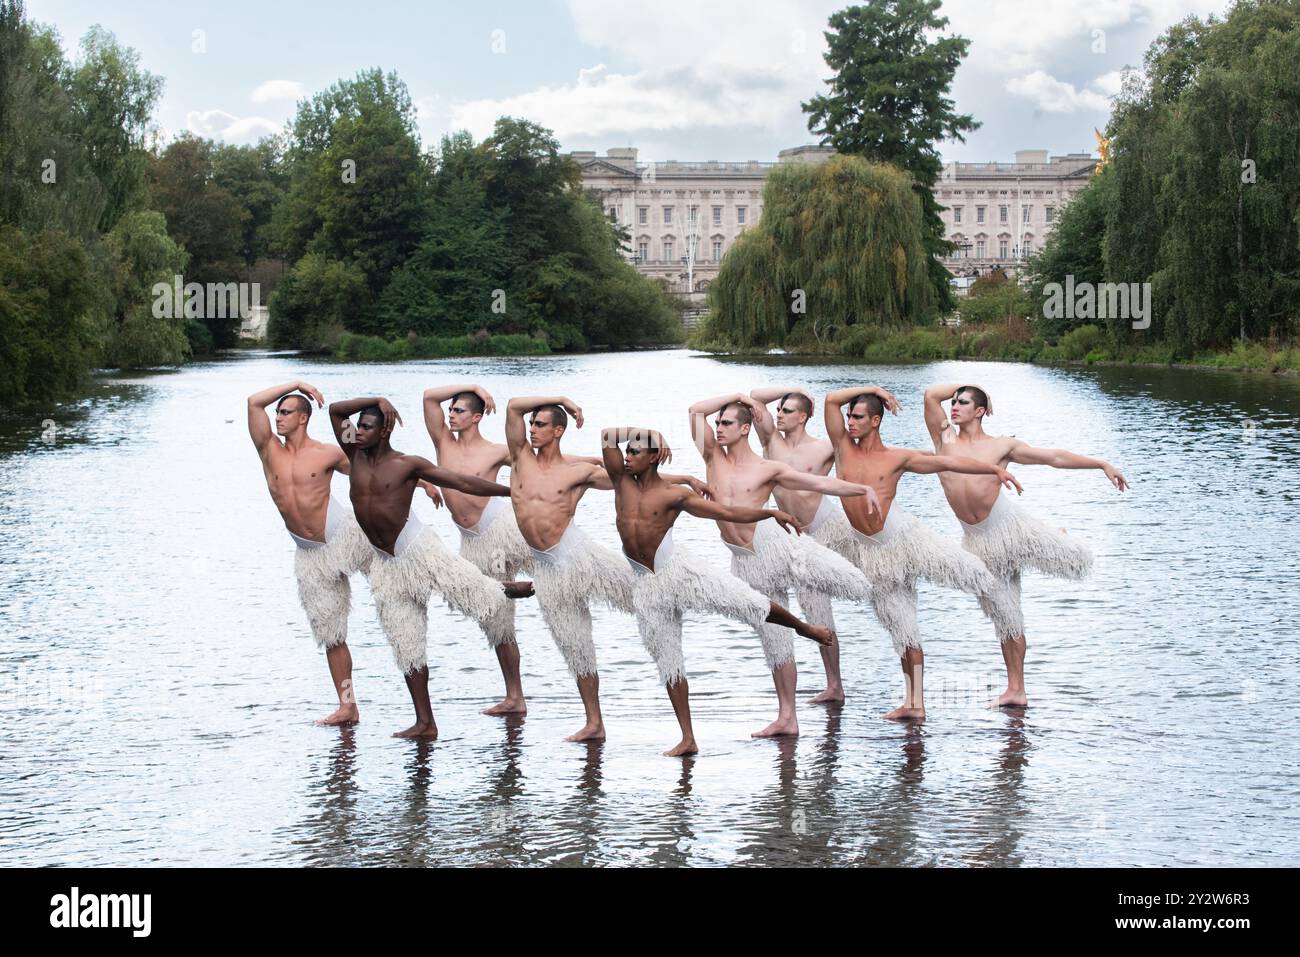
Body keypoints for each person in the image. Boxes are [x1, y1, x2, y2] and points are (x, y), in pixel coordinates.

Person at [602, 425, 835, 756]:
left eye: (635, 452)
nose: (627, 457)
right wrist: (649, 432)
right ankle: (688, 739)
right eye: (627, 452)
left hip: (679, 571)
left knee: (746, 601)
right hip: (646, 584)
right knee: (668, 663)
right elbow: (607, 435)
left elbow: (726, 512)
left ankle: (804, 627)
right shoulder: (620, 482)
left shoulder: (674, 496)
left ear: (653, 458)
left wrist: (767, 512)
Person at [329, 396, 533, 739]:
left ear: (384, 431)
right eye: (358, 426)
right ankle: (425, 723)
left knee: (471, 594)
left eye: (367, 427)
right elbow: (335, 410)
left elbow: (461, 482)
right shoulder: (355, 455)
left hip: (417, 548)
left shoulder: (407, 464)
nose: (358, 431)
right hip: (387, 565)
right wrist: (377, 400)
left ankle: (499, 587)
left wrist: (508, 491)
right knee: (407, 647)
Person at [922, 382, 1129, 707]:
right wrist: (971, 386)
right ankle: (1015, 689)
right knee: (1006, 617)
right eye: (955, 402)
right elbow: (931, 395)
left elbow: (1054, 458)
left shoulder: (1002, 446)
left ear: (979, 411)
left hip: (1011, 528)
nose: (954, 406)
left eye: (962, 402)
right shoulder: (944, 440)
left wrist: (1100, 463)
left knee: (1078, 560)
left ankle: (1060, 537)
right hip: (978, 542)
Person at [824, 386, 1023, 720]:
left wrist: (993, 470)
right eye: (849, 416)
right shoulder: (843, 448)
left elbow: (945, 461)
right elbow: (831, 400)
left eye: (858, 417)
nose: (850, 422)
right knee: (903, 632)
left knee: (974, 574)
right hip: (875, 555)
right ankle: (914, 703)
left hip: (907, 537)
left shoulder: (897, 457)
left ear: (875, 421)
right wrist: (873, 389)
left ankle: (1008, 612)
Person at [688, 392, 879, 738]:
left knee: (853, 584)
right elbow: (696, 408)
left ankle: (878, 580)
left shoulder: (767, 468)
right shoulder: (712, 457)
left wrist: (861, 490)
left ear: (745, 429)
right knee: (774, 641)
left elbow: (818, 482)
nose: (718, 427)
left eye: (727, 422)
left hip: (775, 545)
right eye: (717, 423)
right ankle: (787, 717)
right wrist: (734, 398)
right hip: (745, 561)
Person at [247, 380, 373, 726]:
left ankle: (478, 585)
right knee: (332, 635)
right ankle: (348, 706)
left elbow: (372, 471)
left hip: (344, 536)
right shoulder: (268, 449)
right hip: (310, 555)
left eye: (285, 412)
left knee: (403, 573)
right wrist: (297, 385)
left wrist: (419, 481)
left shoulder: (327, 453)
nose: (278, 418)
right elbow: (254, 401)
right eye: (278, 413)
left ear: (303, 418)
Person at [423, 384, 532, 715]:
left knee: (504, 617)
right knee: (487, 614)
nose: (451, 415)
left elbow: (539, 465)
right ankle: (514, 697)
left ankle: (516, 697)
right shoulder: (443, 443)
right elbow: (429, 397)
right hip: (469, 540)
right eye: (451, 410)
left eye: (458, 411)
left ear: (476, 417)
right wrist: (473, 387)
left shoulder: (496, 450)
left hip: (497, 530)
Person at [749, 386, 852, 703]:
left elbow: (858, 451)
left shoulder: (823, 449)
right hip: (788, 535)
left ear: (804, 417)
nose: (779, 415)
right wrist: (792, 391)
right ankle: (809, 687)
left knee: (819, 608)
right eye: (779, 410)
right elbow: (755, 398)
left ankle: (834, 685)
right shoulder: (771, 442)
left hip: (820, 530)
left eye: (788, 410)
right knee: (783, 607)